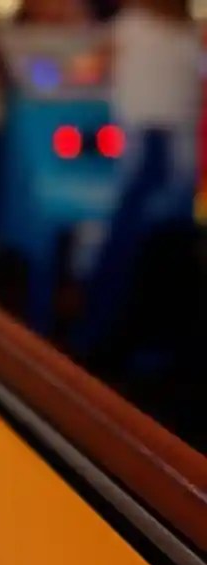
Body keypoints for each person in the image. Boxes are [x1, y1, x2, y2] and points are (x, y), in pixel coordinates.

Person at [74, 0, 202, 359]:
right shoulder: (186, 32)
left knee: (125, 247)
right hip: (179, 155)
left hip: (150, 151)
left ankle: (99, 338)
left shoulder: (132, 26)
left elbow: (88, 69)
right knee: (165, 250)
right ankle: (156, 347)